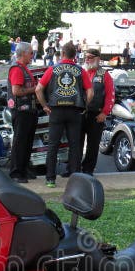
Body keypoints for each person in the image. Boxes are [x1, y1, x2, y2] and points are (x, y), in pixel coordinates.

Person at [35, 41, 93, 187]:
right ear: (75, 55)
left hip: (56, 110)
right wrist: (85, 105)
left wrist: (44, 106)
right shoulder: (80, 70)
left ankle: (50, 179)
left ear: (62, 54)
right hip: (74, 110)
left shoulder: (52, 69)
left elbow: (38, 89)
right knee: (75, 145)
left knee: (53, 145)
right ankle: (75, 178)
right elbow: (90, 91)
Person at [7, 41, 39, 183]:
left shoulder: (24, 68)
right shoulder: (17, 69)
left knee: (27, 141)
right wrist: (35, 89)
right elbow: (16, 91)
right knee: (20, 142)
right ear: (24, 53)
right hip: (21, 111)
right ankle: (16, 172)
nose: (32, 55)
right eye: (31, 53)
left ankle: (24, 169)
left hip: (28, 110)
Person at [79, 48, 115, 175]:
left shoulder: (104, 74)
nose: (87, 59)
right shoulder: (81, 72)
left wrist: (105, 113)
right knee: (77, 142)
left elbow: (110, 96)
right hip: (80, 114)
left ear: (98, 59)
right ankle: (75, 167)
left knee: (93, 144)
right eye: (86, 57)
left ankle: (88, 169)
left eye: (90, 57)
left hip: (96, 114)